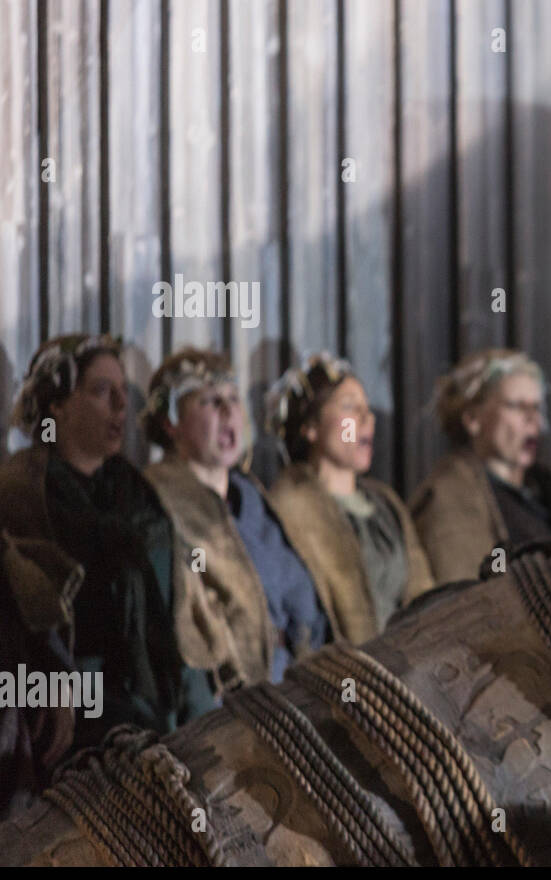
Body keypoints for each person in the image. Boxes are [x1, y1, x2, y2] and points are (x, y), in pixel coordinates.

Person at [0, 335, 215, 816]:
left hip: (157, 703)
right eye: (101, 391)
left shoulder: (135, 492)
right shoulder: (21, 491)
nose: (122, 404)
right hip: (78, 724)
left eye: (123, 391)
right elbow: (24, 618)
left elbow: (178, 608)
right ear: (56, 403)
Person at [141, 348, 329, 689]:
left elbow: (304, 604)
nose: (229, 411)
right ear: (171, 423)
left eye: (233, 398)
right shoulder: (157, 500)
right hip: (231, 711)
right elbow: (192, 626)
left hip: (296, 696)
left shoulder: (252, 497)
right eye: (210, 402)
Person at [266, 353, 434, 646]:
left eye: (367, 409)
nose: (365, 418)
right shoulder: (288, 507)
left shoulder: (386, 504)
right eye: (349, 407)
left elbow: (424, 597)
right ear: (311, 427)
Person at [408, 348, 551, 584]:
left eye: (536, 407)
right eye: (517, 406)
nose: (533, 419)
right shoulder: (449, 498)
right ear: (473, 419)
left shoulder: (550, 491)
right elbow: (463, 600)